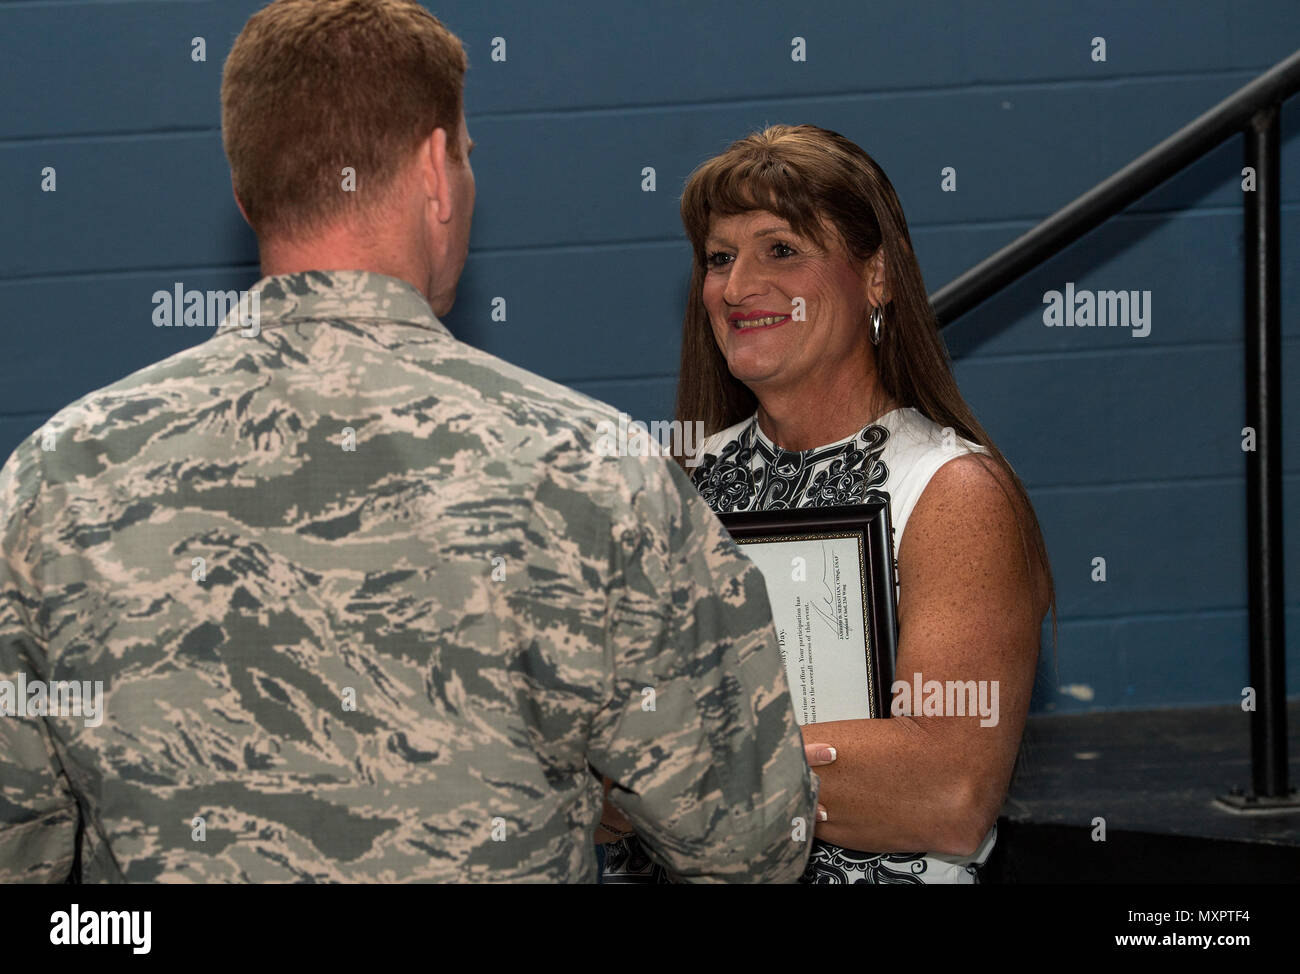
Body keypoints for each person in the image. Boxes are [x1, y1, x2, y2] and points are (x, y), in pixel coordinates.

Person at [0, 0, 815, 884]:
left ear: (247, 194)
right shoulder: (592, 470)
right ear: (436, 169)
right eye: (466, 154)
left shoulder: (56, 481)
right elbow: (753, 844)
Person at [603, 124, 1053, 884]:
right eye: (720, 258)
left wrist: (663, 768)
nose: (739, 286)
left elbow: (947, 789)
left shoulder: (953, 494)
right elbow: (584, 758)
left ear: (876, 276)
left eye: (781, 249)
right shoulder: (669, 486)